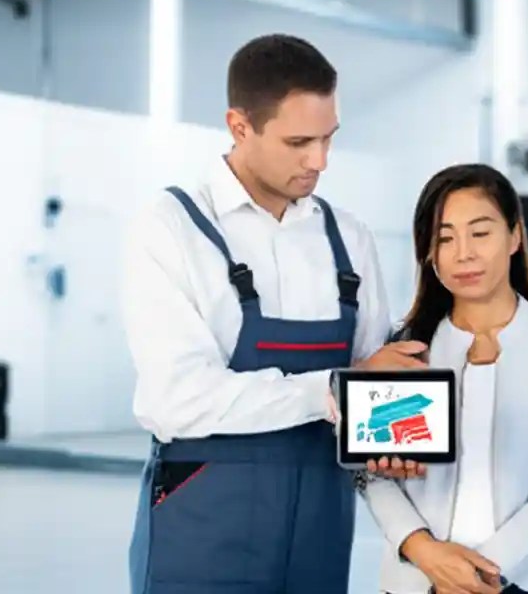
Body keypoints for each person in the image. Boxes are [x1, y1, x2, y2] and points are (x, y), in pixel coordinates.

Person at [122, 33, 424, 594]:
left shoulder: (349, 239)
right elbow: (179, 399)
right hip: (202, 528)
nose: (321, 161)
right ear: (240, 127)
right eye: (299, 142)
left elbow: (376, 389)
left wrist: (401, 436)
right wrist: (333, 392)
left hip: (320, 532)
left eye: (329, 138)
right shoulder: (172, 229)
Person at [361, 163, 528, 594]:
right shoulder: (406, 347)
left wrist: (485, 569)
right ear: (429, 253)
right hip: (419, 580)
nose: (463, 253)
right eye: (445, 238)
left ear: (514, 237)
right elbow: (376, 475)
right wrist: (428, 555)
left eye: (480, 232)